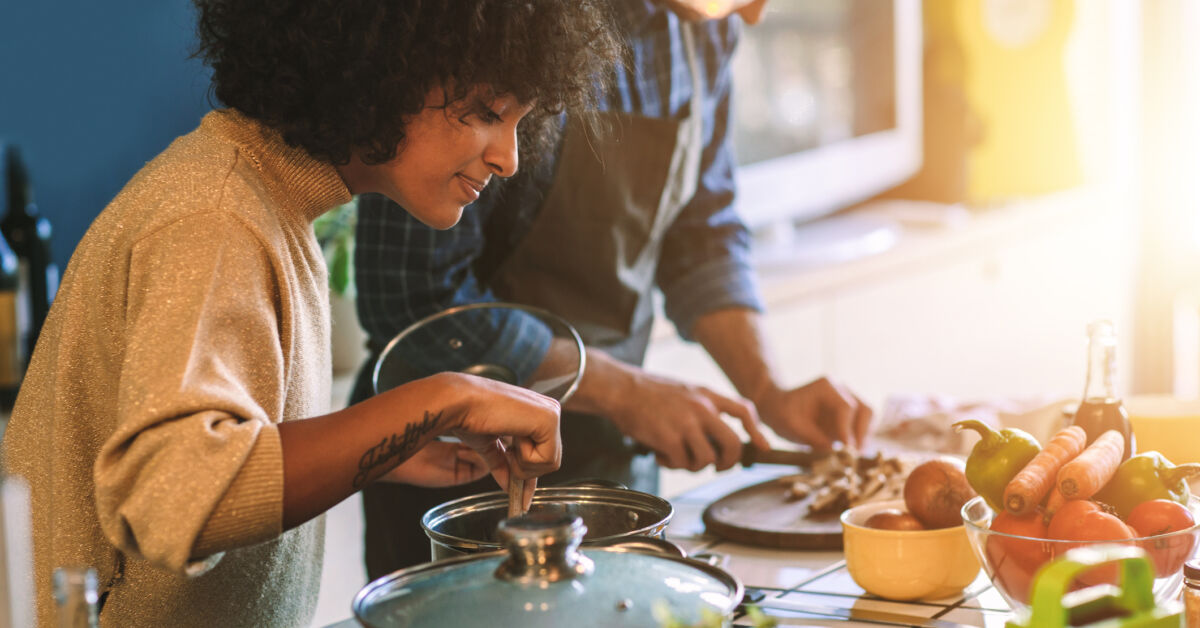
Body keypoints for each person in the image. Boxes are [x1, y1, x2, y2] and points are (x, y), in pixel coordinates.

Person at [0, 2, 621, 626]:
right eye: (488, 113)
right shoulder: (214, 216)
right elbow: (172, 496)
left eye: (519, 123)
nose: (509, 158)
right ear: (384, 66)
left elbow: (235, 438)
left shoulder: (267, 204)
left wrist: (382, 450)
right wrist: (446, 398)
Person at [350, 0, 875, 577]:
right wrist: (625, 394)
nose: (754, 15)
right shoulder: (494, 22)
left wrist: (768, 390)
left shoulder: (704, 34)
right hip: (462, 483)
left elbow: (702, 233)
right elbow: (416, 298)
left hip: (613, 466)